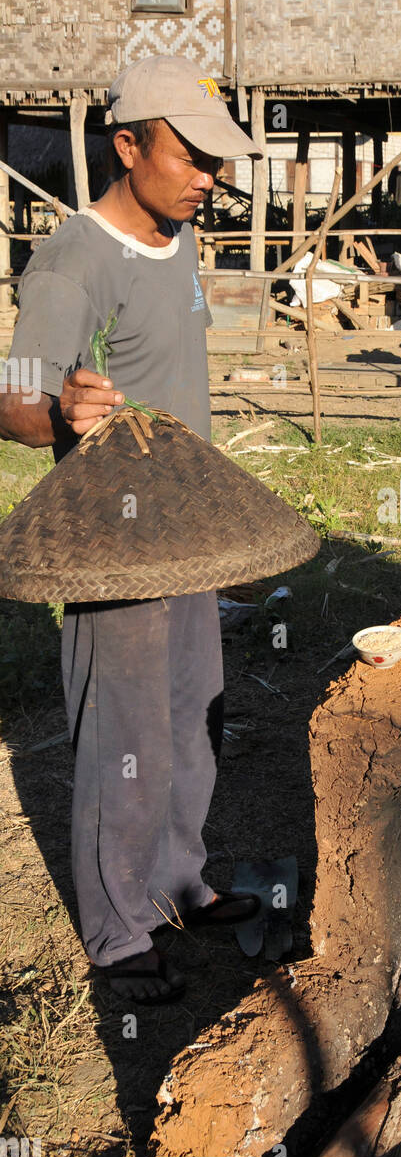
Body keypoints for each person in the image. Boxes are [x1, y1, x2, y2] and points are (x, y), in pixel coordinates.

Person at [0, 55, 264, 1003]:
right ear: (127, 145)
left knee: (196, 712)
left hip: (191, 528)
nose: (209, 176)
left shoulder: (177, 235)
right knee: (126, 735)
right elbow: (13, 401)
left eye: (216, 160)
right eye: (192, 157)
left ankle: (178, 883)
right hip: (115, 539)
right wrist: (59, 412)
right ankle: (116, 936)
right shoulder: (74, 261)